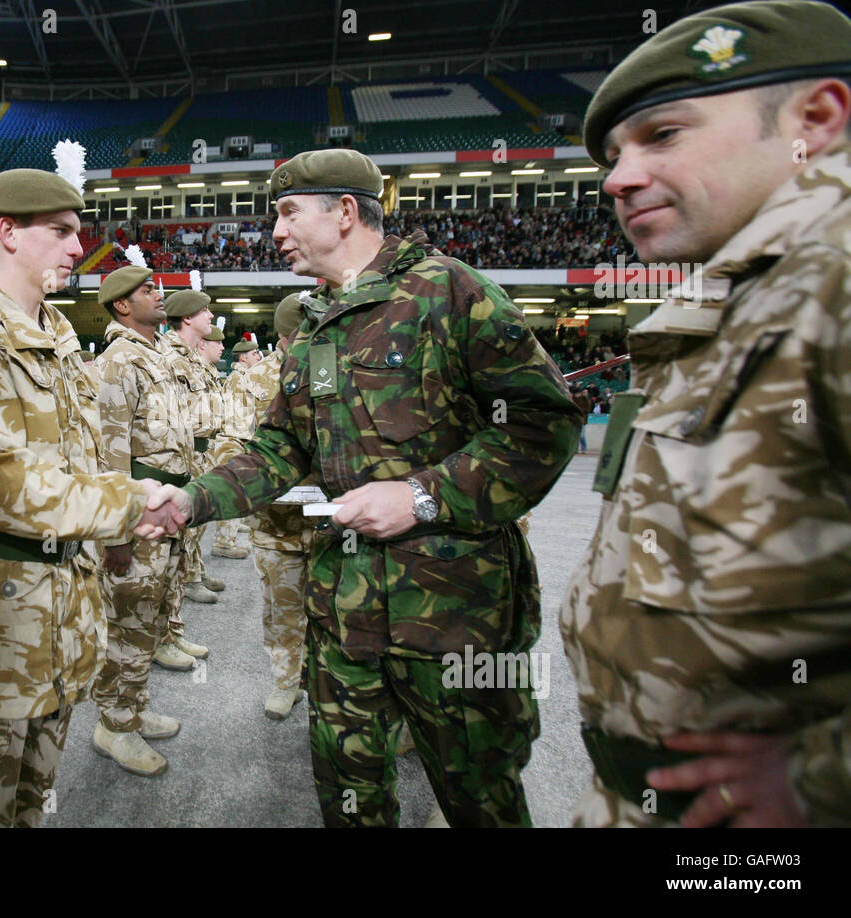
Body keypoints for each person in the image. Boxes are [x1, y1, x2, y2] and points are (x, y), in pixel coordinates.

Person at [147, 148, 582, 827]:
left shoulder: (448, 290)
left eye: (289, 213)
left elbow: (542, 425)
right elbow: (280, 448)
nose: (277, 232)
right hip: (343, 617)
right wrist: (192, 499)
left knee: (482, 801)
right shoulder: (316, 324)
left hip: (451, 619)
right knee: (350, 798)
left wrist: (422, 495)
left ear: (345, 212)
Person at [563, 0, 851, 828]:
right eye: (614, 156)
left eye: (664, 135)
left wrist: (819, 778)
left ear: (817, 119)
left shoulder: (830, 283)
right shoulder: (758, 292)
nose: (616, 178)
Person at [0, 164, 173, 827]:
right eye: (60, 232)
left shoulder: (58, 343)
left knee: (33, 800)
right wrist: (126, 506)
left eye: (76, 234)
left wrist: (110, 531)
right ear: (7, 233)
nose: (74, 248)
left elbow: (82, 455)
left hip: (62, 611)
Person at [89, 266, 193, 776]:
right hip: (137, 514)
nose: (159, 295)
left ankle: (133, 705)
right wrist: (117, 531)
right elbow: (110, 454)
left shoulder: (156, 355)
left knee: (149, 617)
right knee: (127, 623)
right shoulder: (116, 361)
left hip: (166, 508)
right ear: (123, 306)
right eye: (148, 290)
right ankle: (114, 725)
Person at [246, 297, 315, 720]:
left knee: (335, 611)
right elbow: (232, 441)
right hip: (278, 522)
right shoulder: (254, 379)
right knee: (283, 610)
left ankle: (327, 684)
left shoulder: (337, 372)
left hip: (331, 523)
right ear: (287, 337)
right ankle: (286, 682)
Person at [155, 289, 216, 663]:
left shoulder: (193, 359)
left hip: (195, 457)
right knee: (166, 555)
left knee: (180, 552)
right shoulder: (167, 356)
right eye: (204, 311)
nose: (211, 315)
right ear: (188, 318)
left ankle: (173, 630)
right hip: (175, 459)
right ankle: (161, 637)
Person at [212, 337, 262, 559]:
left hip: (238, 437)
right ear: (243, 357)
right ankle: (224, 542)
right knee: (232, 491)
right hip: (233, 438)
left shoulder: (241, 377)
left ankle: (231, 528)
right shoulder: (239, 379)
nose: (259, 357)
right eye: (254, 354)